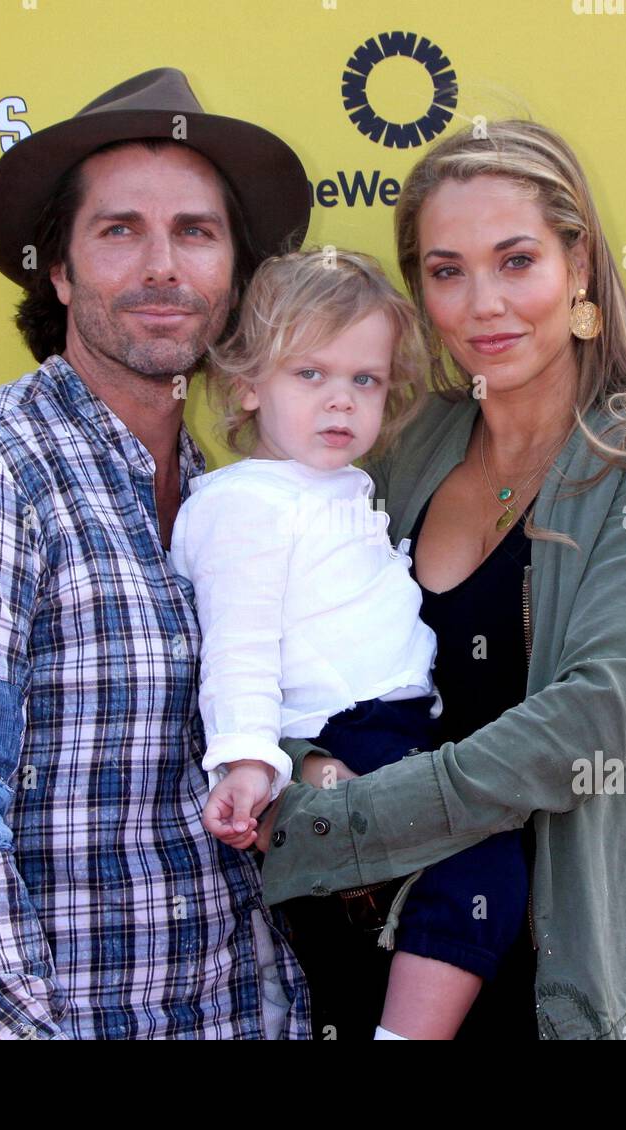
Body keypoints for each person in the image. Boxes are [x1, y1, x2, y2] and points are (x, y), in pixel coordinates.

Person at [256, 119, 626, 1040]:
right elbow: (294, 636)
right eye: (447, 270)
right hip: (371, 958)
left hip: (565, 983)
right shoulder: (401, 446)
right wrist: (307, 762)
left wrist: (345, 820)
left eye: (516, 260)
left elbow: (593, 719)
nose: (483, 304)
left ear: (577, 265)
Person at [0, 68, 314, 1039]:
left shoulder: (228, 493)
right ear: (57, 271)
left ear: (235, 272)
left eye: (194, 231)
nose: (162, 267)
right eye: (117, 230)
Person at [168, 249, 534, 1040]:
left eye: (364, 380)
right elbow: (238, 643)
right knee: (483, 864)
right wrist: (247, 758)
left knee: (464, 881)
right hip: (344, 735)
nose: (341, 401)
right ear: (247, 386)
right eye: (311, 375)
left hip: (401, 732)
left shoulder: (342, 484)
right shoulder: (247, 504)